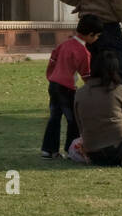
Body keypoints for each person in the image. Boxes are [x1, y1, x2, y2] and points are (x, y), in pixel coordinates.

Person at [41, 13, 102, 158]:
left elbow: (52, 61)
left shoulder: (64, 44)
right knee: (73, 120)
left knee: (54, 117)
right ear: (90, 34)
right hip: (67, 88)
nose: (97, 39)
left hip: (54, 84)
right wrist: (94, 88)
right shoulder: (83, 52)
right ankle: (71, 149)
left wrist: (51, 77)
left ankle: (48, 150)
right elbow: (86, 75)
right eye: (97, 36)